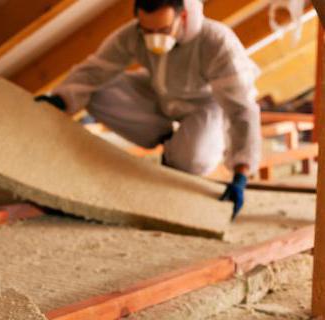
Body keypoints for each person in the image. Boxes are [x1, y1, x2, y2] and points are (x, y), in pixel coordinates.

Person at [36, 0, 261, 220]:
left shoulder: (216, 40)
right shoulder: (133, 34)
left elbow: (242, 109)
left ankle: (180, 153)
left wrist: (241, 173)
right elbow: (96, 69)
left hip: (205, 104)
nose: (155, 37)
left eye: (163, 29)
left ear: (182, 16)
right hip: (158, 93)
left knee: (192, 161)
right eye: (147, 30)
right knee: (95, 89)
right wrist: (60, 99)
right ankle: (167, 139)